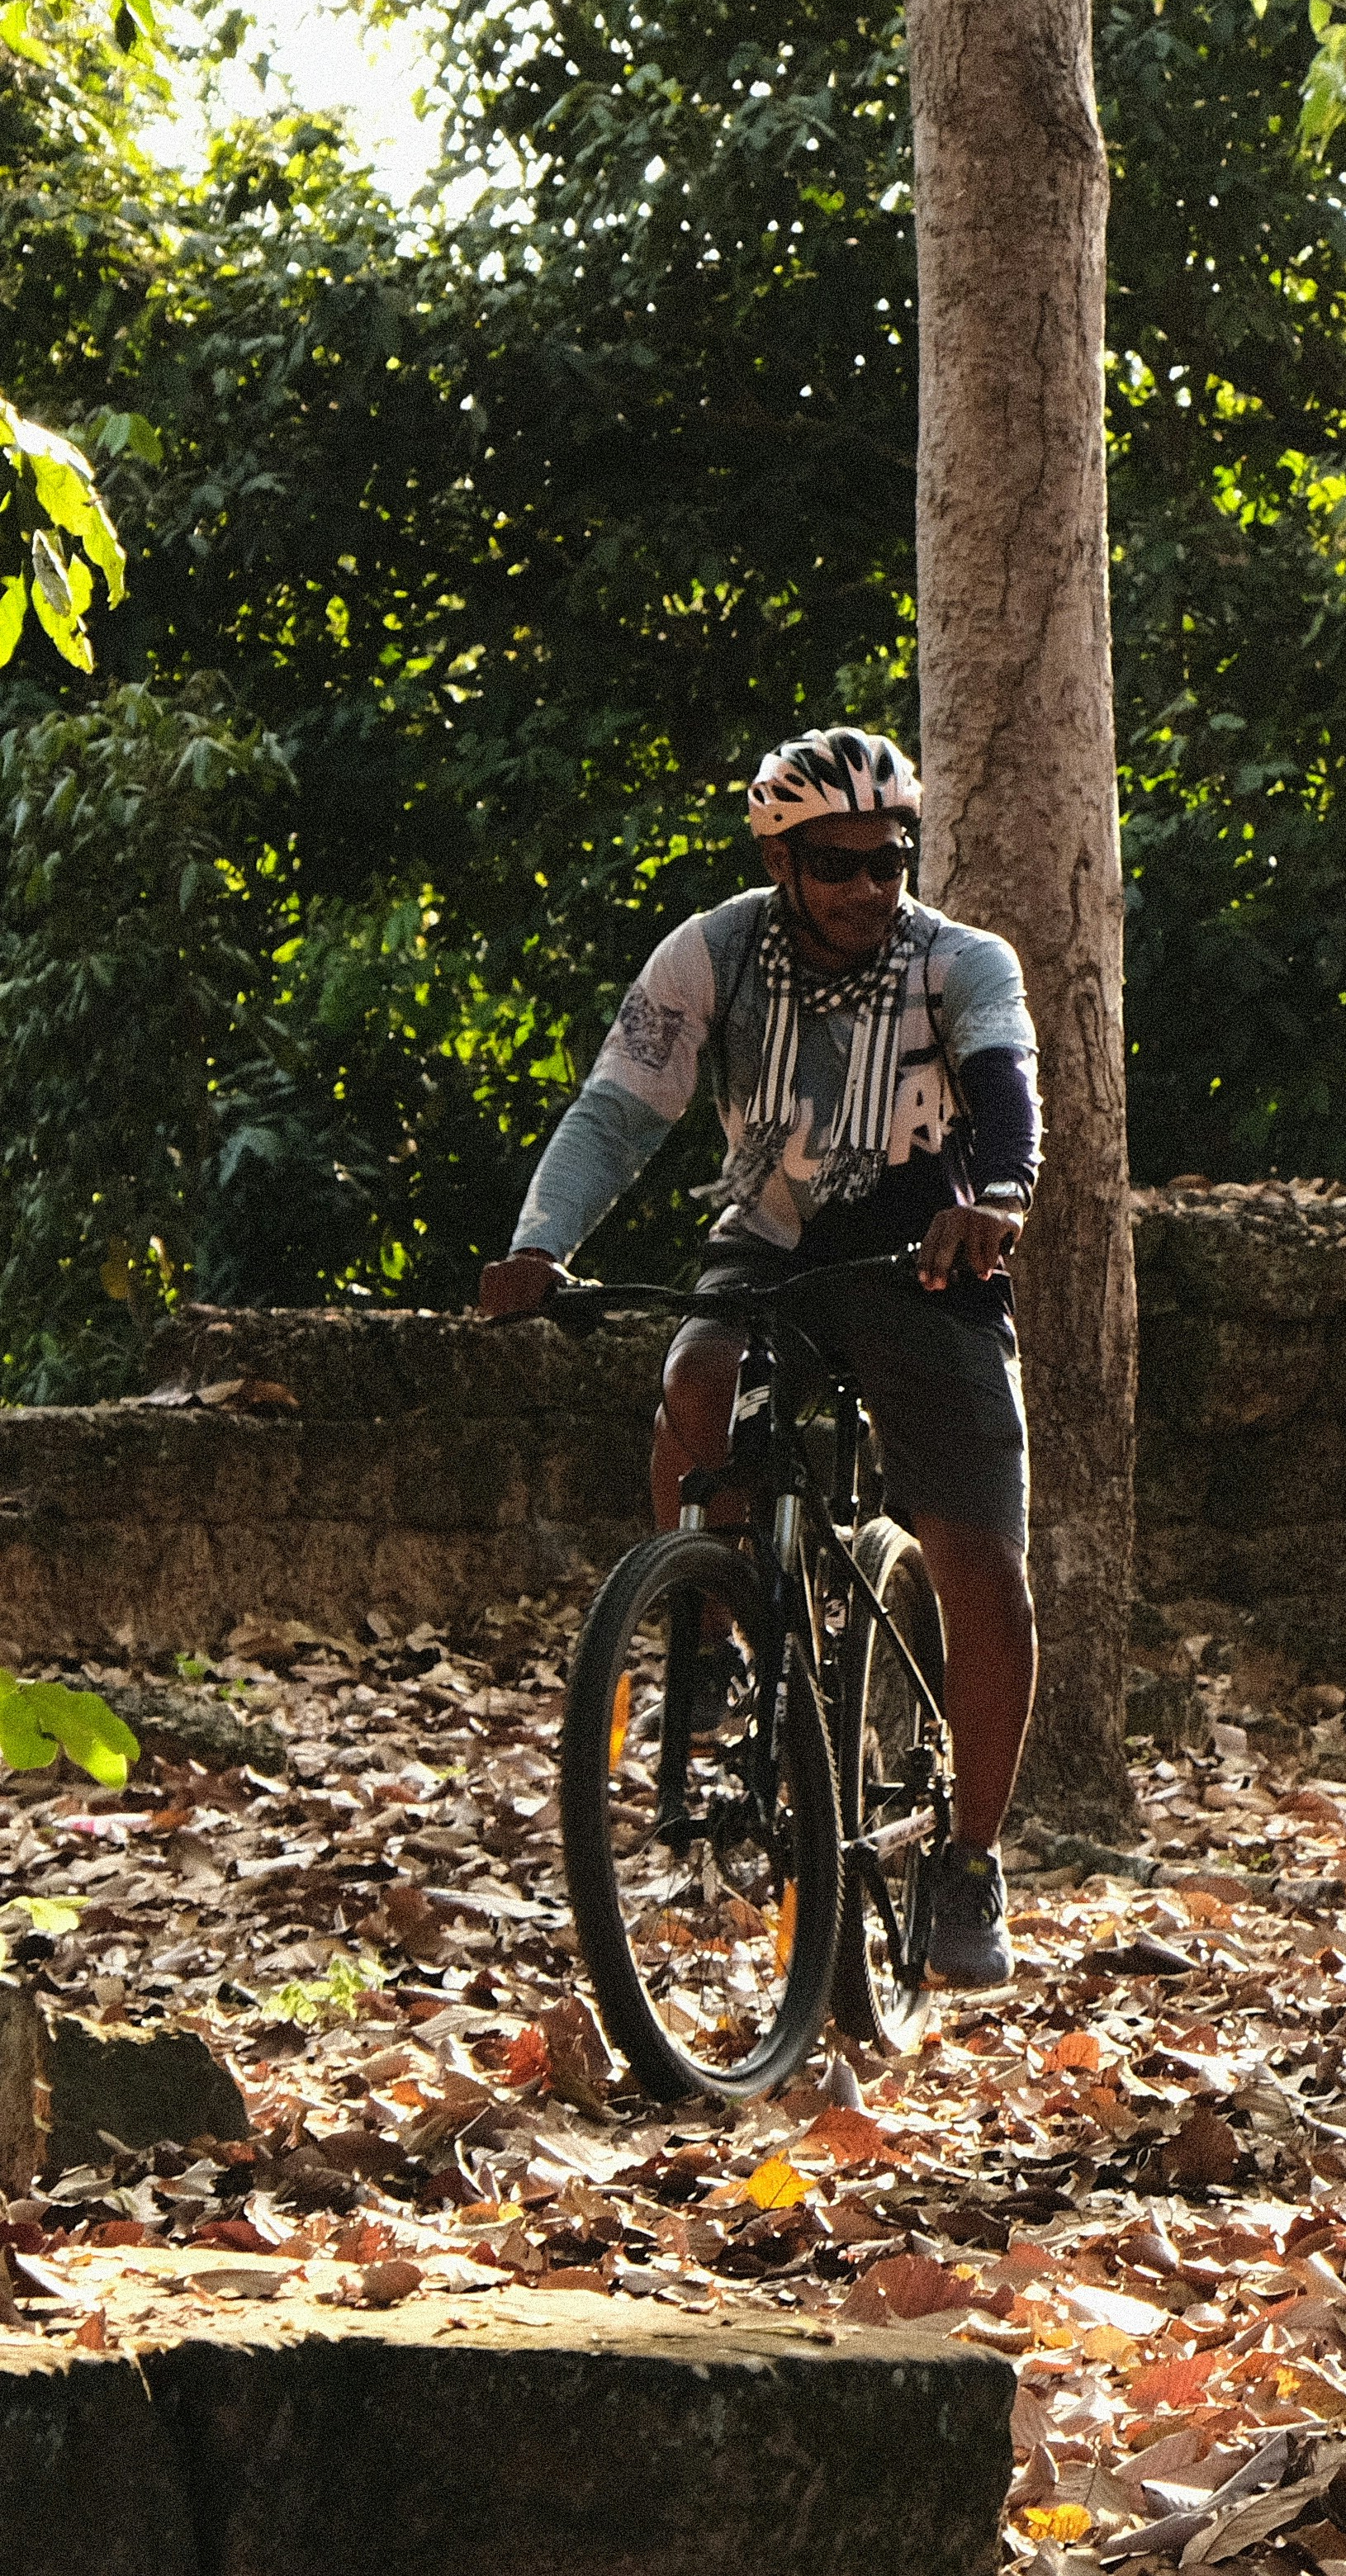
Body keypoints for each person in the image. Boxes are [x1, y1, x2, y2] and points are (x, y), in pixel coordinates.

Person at [474, 727, 1047, 1989]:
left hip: (926, 1252)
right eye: (835, 863)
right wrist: (538, 1244)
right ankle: (724, 1619)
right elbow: (617, 1112)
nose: (865, 887)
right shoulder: (712, 953)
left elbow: (1007, 1088)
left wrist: (995, 1196)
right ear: (782, 862)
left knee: (980, 1557)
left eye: (888, 859)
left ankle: (969, 1861)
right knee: (693, 1381)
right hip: (773, 1235)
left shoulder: (959, 962)